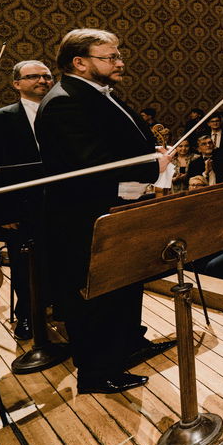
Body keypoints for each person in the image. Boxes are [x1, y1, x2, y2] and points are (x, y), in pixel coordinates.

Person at [35, 29, 173, 395]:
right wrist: (151, 167)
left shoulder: (95, 94)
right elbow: (91, 163)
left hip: (116, 208)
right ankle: (97, 373)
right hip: (85, 217)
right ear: (80, 62)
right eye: (110, 57)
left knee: (127, 282)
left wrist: (155, 156)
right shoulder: (65, 100)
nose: (119, 62)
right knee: (98, 297)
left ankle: (129, 343)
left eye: (117, 55)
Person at [0, 60, 54, 341]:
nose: (42, 80)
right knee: (24, 265)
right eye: (33, 76)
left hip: (62, 204)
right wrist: (4, 213)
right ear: (17, 83)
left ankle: (59, 309)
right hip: (21, 208)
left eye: (47, 76)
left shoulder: (64, 114)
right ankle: (27, 315)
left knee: (61, 261)